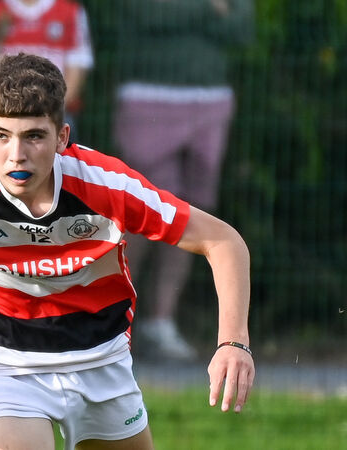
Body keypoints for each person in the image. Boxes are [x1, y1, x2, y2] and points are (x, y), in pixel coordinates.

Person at [0, 53, 254, 449]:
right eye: (1, 135)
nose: (16, 155)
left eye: (34, 136)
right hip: (1, 367)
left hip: (101, 362)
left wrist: (233, 342)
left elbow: (222, 241)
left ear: (62, 136)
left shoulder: (107, 185)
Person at [112, 0, 255, 360]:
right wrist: (211, 8)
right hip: (149, 99)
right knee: (140, 211)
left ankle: (161, 321)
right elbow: (147, 15)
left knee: (193, 214)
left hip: (211, 100)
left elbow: (242, 29)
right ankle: (114, 316)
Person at [0, 0, 94, 141]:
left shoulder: (70, 12)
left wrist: (46, 113)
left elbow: (75, 74)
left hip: (54, 114)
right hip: (3, 114)